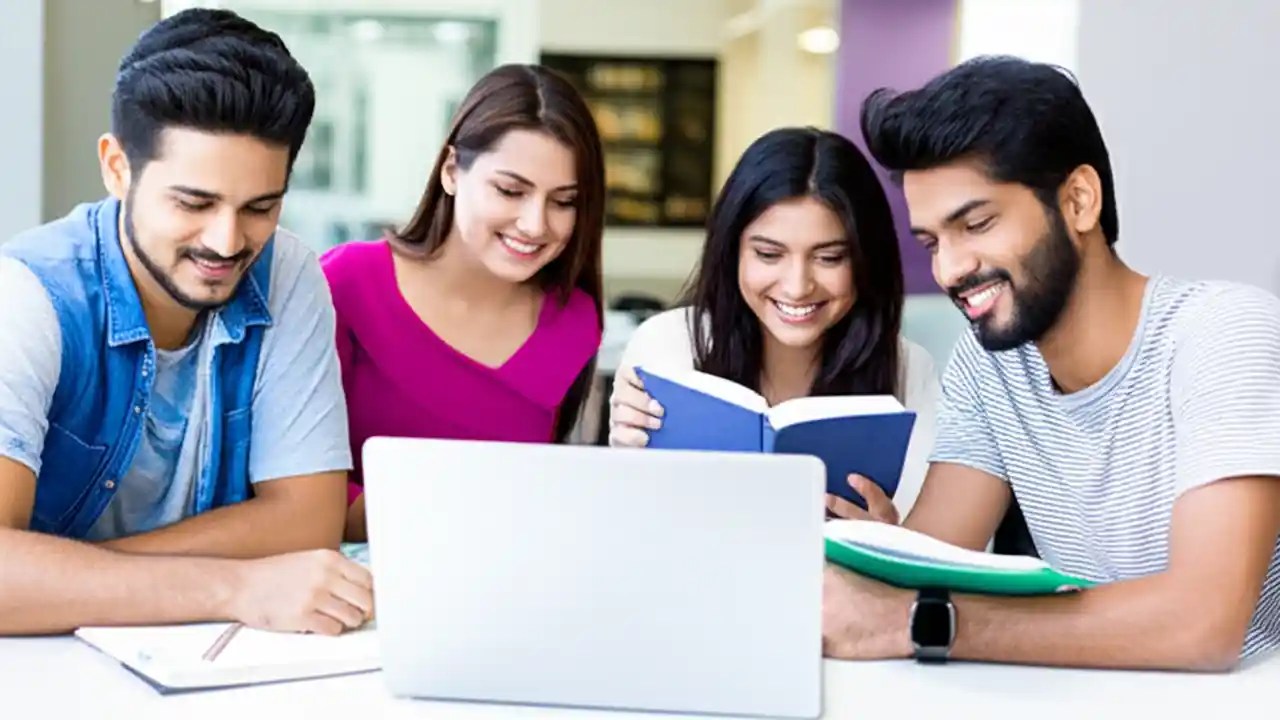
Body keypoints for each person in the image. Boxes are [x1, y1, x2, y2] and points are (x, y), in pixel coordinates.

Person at [821, 55, 1280, 670]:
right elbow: (928, 561)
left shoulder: (1220, 332)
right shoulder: (992, 365)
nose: (949, 270)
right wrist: (878, 550)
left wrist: (922, 620)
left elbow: (1203, 623)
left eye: (976, 223)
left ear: (1080, 201)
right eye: (932, 241)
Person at [0, 9, 372, 636]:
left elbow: (308, 523)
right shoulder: (27, 297)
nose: (227, 243)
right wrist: (234, 583)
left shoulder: (287, 274)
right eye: (193, 203)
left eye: (260, 206)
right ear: (117, 168)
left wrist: (57, 580)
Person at [322, 64, 604, 541]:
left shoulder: (571, 321)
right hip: (354, 579)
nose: (535, 224)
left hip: (498, 582)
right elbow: (292, 482)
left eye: (564, 202)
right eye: (510, 191)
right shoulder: (347, 284)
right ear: (452, 171)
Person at [609, 126, 940, 518]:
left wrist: (888, 535)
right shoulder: (669, 346)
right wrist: (627, 458)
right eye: (769, 254)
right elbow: (631, 522)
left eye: (829, 258)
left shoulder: (909, 369)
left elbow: (935, 541)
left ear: (867, 260)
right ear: (732, 251)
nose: (797, 287)